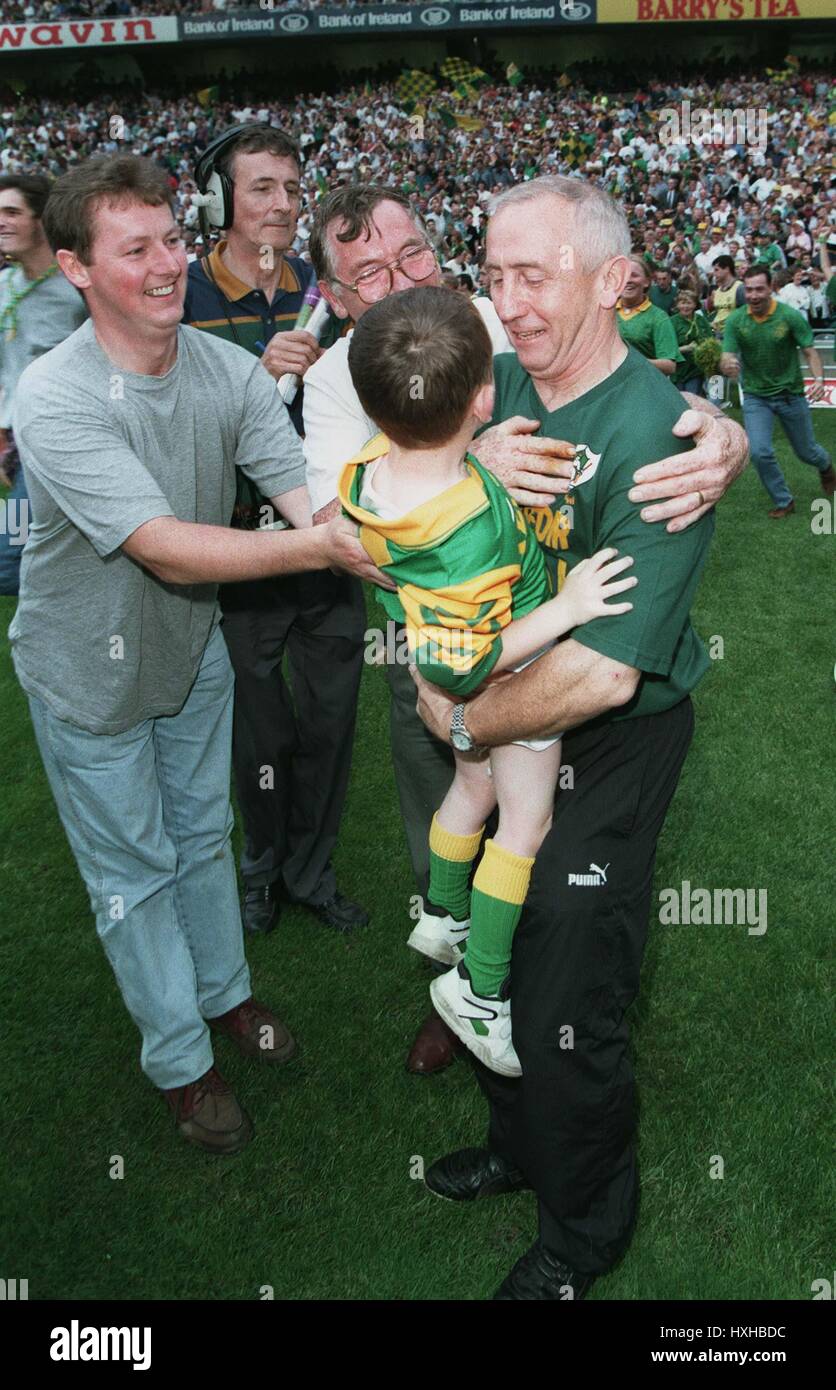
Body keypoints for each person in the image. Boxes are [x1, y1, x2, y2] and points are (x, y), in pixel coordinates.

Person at [304, 181, 749, 1079]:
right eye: (368, 271)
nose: (507, 301)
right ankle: (475, 1003)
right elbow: (346, 527)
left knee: (558, 920)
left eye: (415, 255)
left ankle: (563, 1173)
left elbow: (617, 376)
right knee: (493, 859)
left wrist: (724, 434)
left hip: (554, 690)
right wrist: (457, 459)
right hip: (465, 659)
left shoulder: (498, 337)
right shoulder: (373, 377)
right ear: (338, 297)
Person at [8, 156, 375, 1156]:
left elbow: (299, 488)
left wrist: (368, 537)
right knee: (131, 868)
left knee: (201, 838)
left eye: (174, 238)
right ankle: (181, 1062)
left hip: (189, 649)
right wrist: (318, 549)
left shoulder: (222, 370)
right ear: (78, 267)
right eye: (138, 249)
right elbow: (163, 542)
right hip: (87, 672)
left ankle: (224, 999)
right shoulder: (54, 396)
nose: (170, 263)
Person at [408, 174, 718, 1301]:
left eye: (531, 275)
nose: (508, 302)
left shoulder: (661, 436)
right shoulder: (490, 395)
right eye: (493, 277)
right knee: (490, 952)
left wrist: (460, 717)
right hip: (507, 728)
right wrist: (460, 468)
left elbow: (600, 667)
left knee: (566, 979)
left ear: (613, 280)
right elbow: (392, 497)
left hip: (608, 733)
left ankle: (581, 1236)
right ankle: (517, 1143)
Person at [340, 286, 637, 1077]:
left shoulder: (366, 472)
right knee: (524, 824)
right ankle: (479, 992)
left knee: (470, 791)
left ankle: (442, 914)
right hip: (504, 665)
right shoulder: (471, 518)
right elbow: (476, 655)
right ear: (483, 397)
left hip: (430, 644)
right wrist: (568, 606)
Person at [183, 124, 368, 938]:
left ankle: (310, 871)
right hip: (239, 551)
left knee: (330, 725)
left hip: (329, 544)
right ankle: (260, 870)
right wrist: (254, 384)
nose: (286, 205)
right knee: (261, 734)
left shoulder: (320, 289)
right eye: (262, 188)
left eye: (293, 189)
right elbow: (169, 437)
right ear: (219, 201)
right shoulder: (178, 296)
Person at [0, 173, 87, 595]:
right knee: (17, 551)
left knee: (8, 553)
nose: (1, 222)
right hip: (19, 445)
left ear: (41, 220)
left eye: (12, 212)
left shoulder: (77, 290)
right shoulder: (2, 287)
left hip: (64, 442)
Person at [721, 264, 834, 519]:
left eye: (760, 289)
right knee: (759, 452)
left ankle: (826, 466)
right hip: (755, 396)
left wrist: (818, 379)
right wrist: (726, 363)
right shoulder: (736, 320)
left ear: (771, 287)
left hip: (790, 394)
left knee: (807, 451)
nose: (754, 295)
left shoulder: (790, 316)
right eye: (749, 290)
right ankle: (784, 500)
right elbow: (726, 354)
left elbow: (810, 351)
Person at [616, 257, 682, 377]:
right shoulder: (605, 312)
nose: (627, 280)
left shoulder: (658, 317)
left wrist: (633, 362)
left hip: (642, 387)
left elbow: (670, 365)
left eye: (634, 275)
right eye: (623, 275)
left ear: (646, 281)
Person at [670, 287, 713, 396]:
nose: (685, 306)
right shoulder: (672, 322)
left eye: (689, 303)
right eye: (682, 303)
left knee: (692, 399)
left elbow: (710, 340)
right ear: (677, 305)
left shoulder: (701, 320)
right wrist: (685, 348)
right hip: (678, 370)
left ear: (695, 305)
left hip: (695, 369)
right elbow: (667, 350)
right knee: (679, 400)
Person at [708, 254, 745, 338]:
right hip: (719, 335)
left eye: (716, 270)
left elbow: (746, 314)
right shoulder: (717, 291)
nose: (714, 274)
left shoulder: (740, 288)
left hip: (735, 336)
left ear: (727, 269)